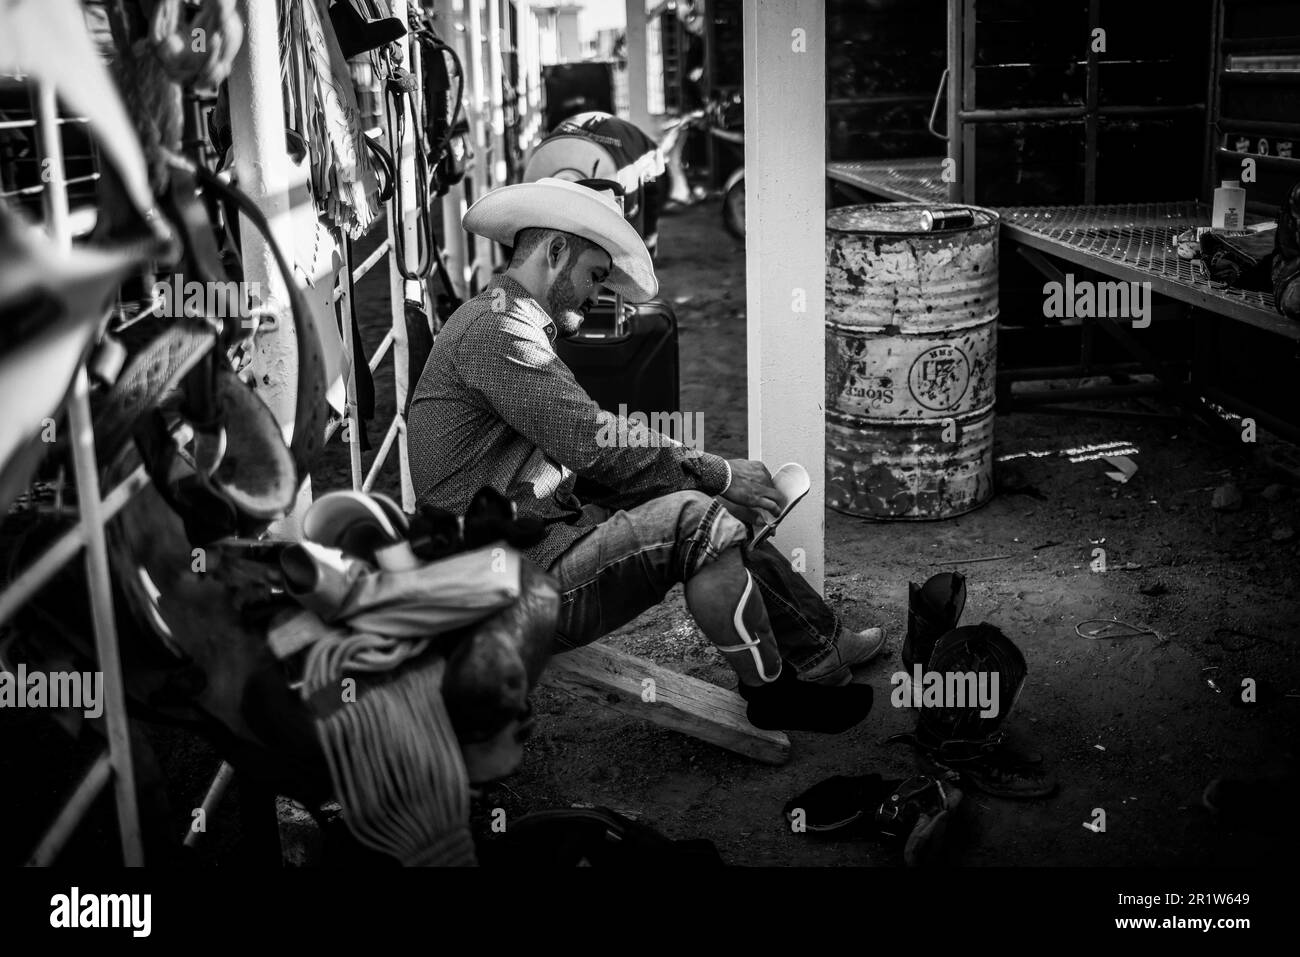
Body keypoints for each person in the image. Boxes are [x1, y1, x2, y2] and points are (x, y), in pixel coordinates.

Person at [408, 178, 883, 734]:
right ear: (554, 251)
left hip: (517, 554)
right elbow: (591, 439)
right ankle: (773, 694)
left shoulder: (504, 320)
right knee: (695, 520)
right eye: (594, 276)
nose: (596, 294)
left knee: (692, 495)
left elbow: (583, 446)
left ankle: (818, 650)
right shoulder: (498, 332)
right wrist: (718, 473)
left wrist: (703, 474)